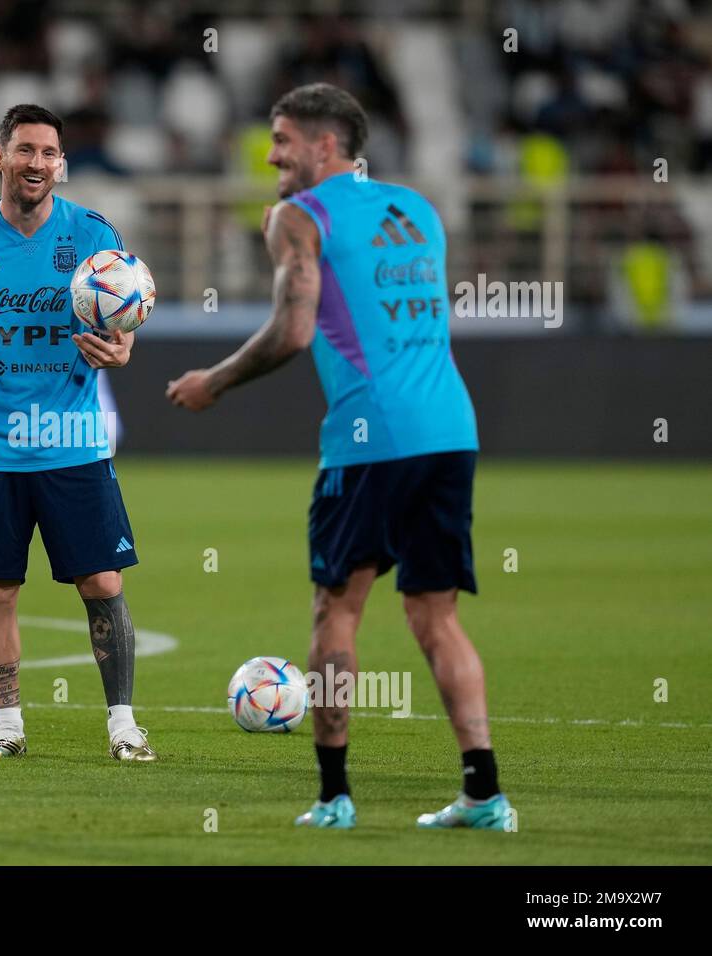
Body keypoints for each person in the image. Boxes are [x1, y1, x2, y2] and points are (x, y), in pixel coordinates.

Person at [167, 83, 515, 831]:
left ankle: (333, 797)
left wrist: (213, 382)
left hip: (370, 439)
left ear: (325, 146)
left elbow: (294, 331)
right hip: (450, 429)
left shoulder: (301, 217)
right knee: (436, 617)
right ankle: (484, 794)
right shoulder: (417, 209)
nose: (270, 155)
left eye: (282, 140)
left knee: (337, 610)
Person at [0, 104, 155, 762]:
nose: (37, 162)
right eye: (25, 149)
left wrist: (124, 353)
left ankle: (123, 725)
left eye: (49, 153)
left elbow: (122, 326)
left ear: (61, 164)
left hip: (73, 437)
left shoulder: (91, 233)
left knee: (103, 585)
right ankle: (7, 725)